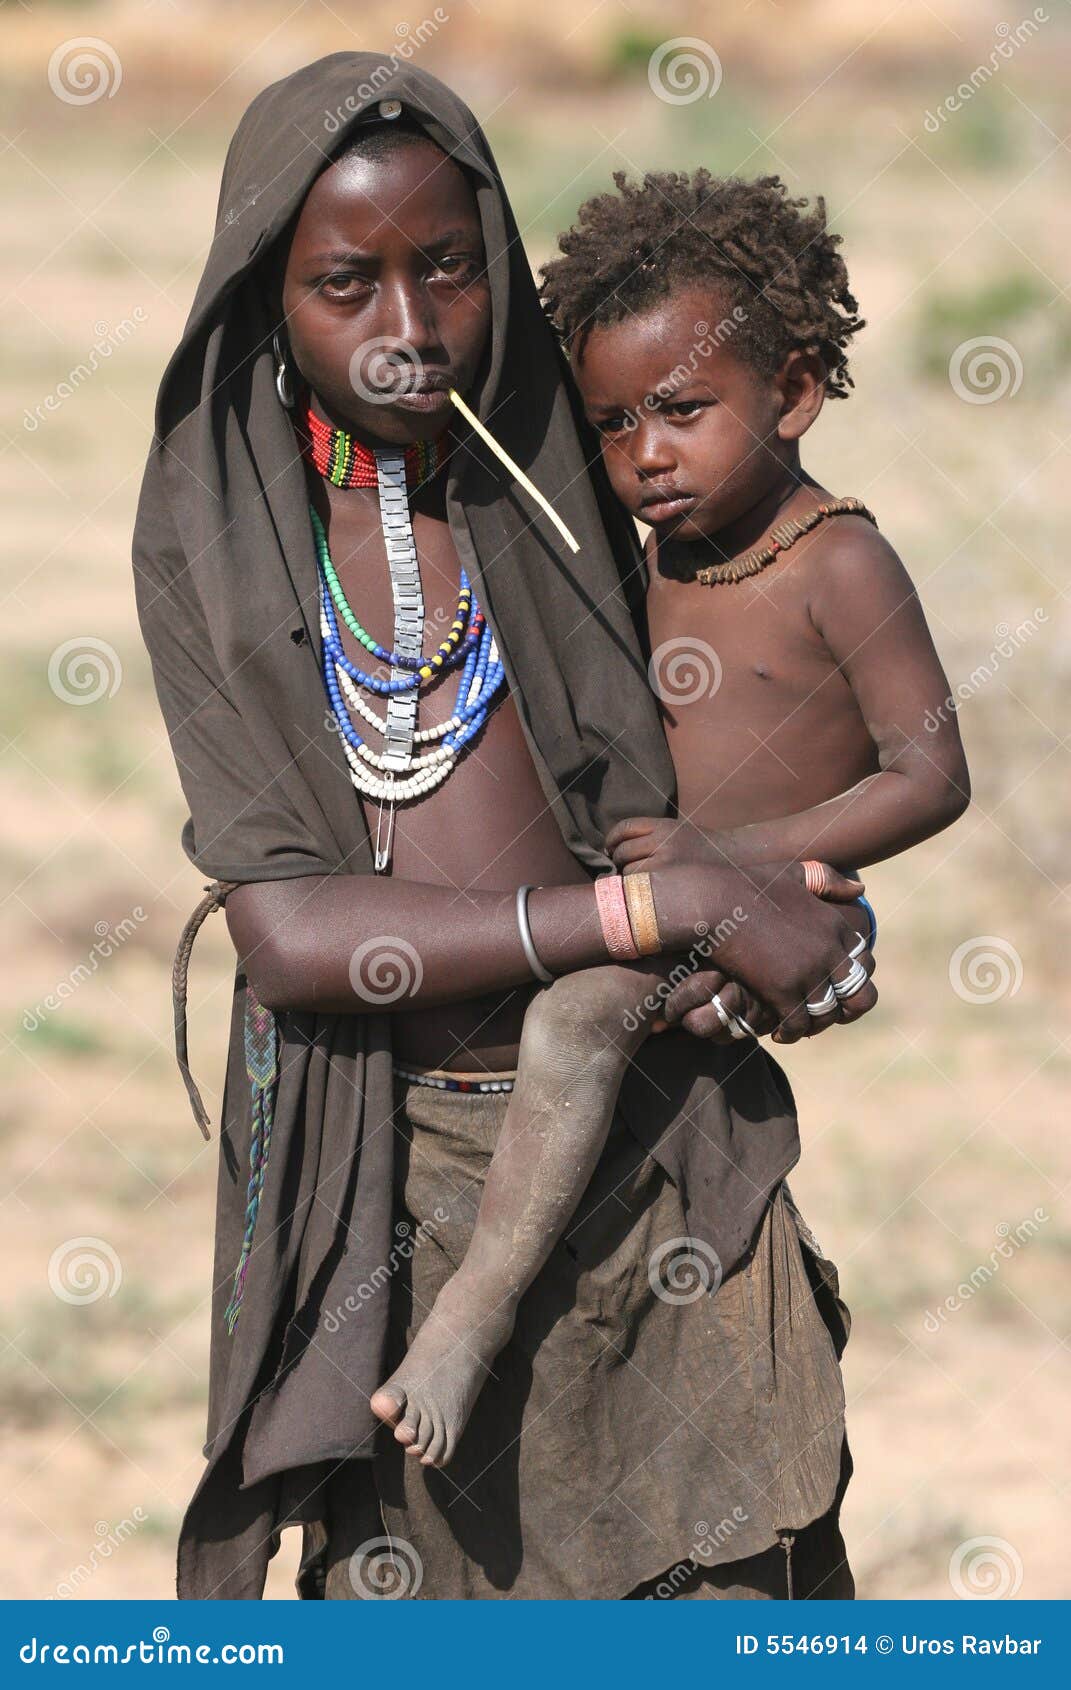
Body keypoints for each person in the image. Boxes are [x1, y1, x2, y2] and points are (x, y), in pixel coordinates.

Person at [133, 56, 874, 1601]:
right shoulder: (217, 542)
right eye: (347, 285)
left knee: (726, 1581)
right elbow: (291, 932)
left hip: (659, 1147)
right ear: (272, 299)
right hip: (384, 1185)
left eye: (447, 270)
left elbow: (773, 727)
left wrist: (813, 898)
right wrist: (659, 915)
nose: (409, 329)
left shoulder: (597, 473)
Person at [370, 169, 970, 1472]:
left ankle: (473, 1306)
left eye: (684, 411)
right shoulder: (657, 553)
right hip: (664, 889)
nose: (646, 452)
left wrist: (729, 865)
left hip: (770, 889)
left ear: (796, 393)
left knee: (577, 1017)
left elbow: (932, 775)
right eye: (616, 422)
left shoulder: (838, 559)